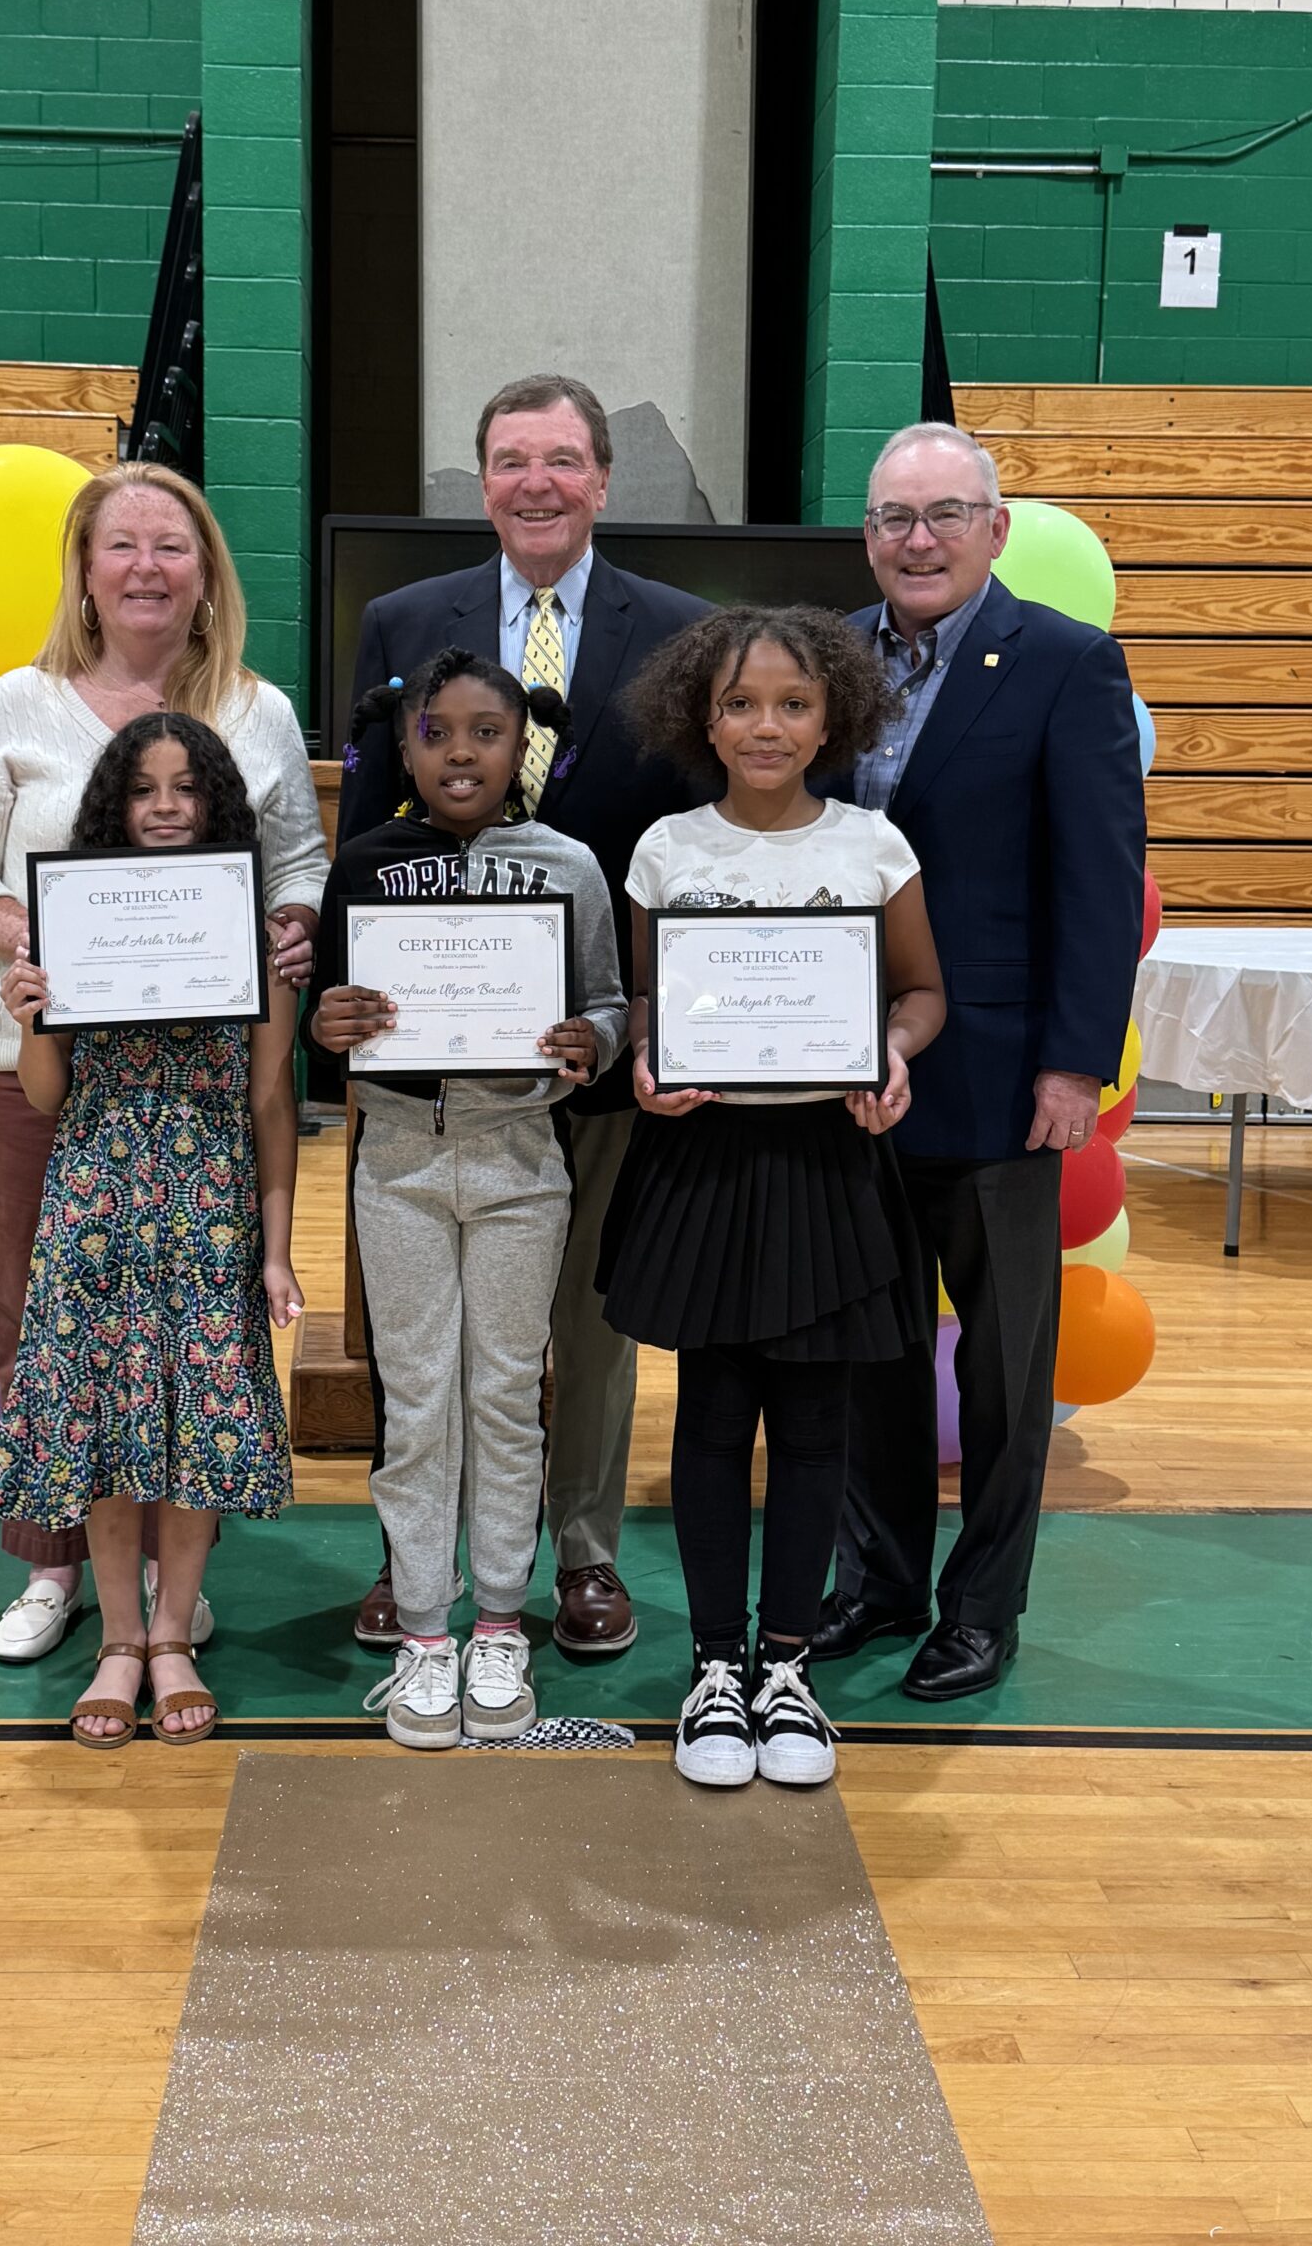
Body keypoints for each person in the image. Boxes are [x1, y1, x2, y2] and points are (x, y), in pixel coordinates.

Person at [0, 462, 326, 1664]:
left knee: (192, 1332)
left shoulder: (257, 710)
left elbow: (299, 858)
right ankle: (54, 1570)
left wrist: (290, 924)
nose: (147, 566)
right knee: (47, 1329)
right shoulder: (20, 702)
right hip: (25, 1066)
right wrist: (28, 936)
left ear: (207, 574)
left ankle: (167, 1591)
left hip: (196, 1086)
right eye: (122, 546)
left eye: (171, 545)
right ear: (84, 574)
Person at [335, 373, 707, 1655]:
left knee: (586, 1320)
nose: (535, 483)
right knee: (424, 1335)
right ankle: (413, 1557)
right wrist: (348, 1007)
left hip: (588, 1048)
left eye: (560, 460)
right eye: (510, 460)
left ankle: (585, 1553)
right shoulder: (401, 621)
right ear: (481, 479)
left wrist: (638, 1022)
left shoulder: (682, 632)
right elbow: (364, 837)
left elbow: (689, 847)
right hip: (427, 1062)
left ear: (602, 478)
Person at [814, 423, 1145, 1701]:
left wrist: (1074, 1067)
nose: (919, 539)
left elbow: (1099, 883)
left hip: (1005, 1079)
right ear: (868, 535)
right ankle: (882, 1580)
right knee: (875, 1352)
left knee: (1004, 1371)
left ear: (994, 529)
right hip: (849, 1072)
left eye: (945, 513)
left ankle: (983, 1609)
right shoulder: (827, 658)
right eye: (894, 517)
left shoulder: (1066, 663)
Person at [599, 606, 945, 1790]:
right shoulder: (665, 849)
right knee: (710, 1417)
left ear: (831, 716)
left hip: (829, 1163)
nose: (766, 725)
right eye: (741, 703)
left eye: (793, 703)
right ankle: (714, 1667)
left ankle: (786, 1665)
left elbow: (921, 993)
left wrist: (892, 1051)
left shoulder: (873, 845)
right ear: (702, 718)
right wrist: (646, 1057)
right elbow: (648, 1003)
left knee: (813, 1427)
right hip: (706, 1164)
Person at [307, 649, 627, 1748]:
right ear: (405, 746)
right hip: (396, 1161)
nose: (460, 753)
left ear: (520, 744)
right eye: (436, 732)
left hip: (519, 1162)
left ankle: (498, 1620)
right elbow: (331, 1022)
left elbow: (608, 1001)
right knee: (415, 1395)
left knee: (502, 1393)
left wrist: (594, 1040)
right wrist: (328, 1026)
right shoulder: (364, 861)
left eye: (486, 732)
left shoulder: (569, 867)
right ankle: (424, 1630)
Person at [0, 713, 300, 1747]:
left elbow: (269, 1104)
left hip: (209, 1203)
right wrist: (29, 1013)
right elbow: (46, 1095)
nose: (165, 806)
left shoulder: (255, 934)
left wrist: (276, 1249)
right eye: (143, 789)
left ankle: (174, 1636)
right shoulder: (69, 923)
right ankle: (119, 1638)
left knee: (200, 1427)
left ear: (217, 802)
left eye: (186, 787)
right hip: (95, 1202)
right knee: (104, 1429)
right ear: (112, 806)